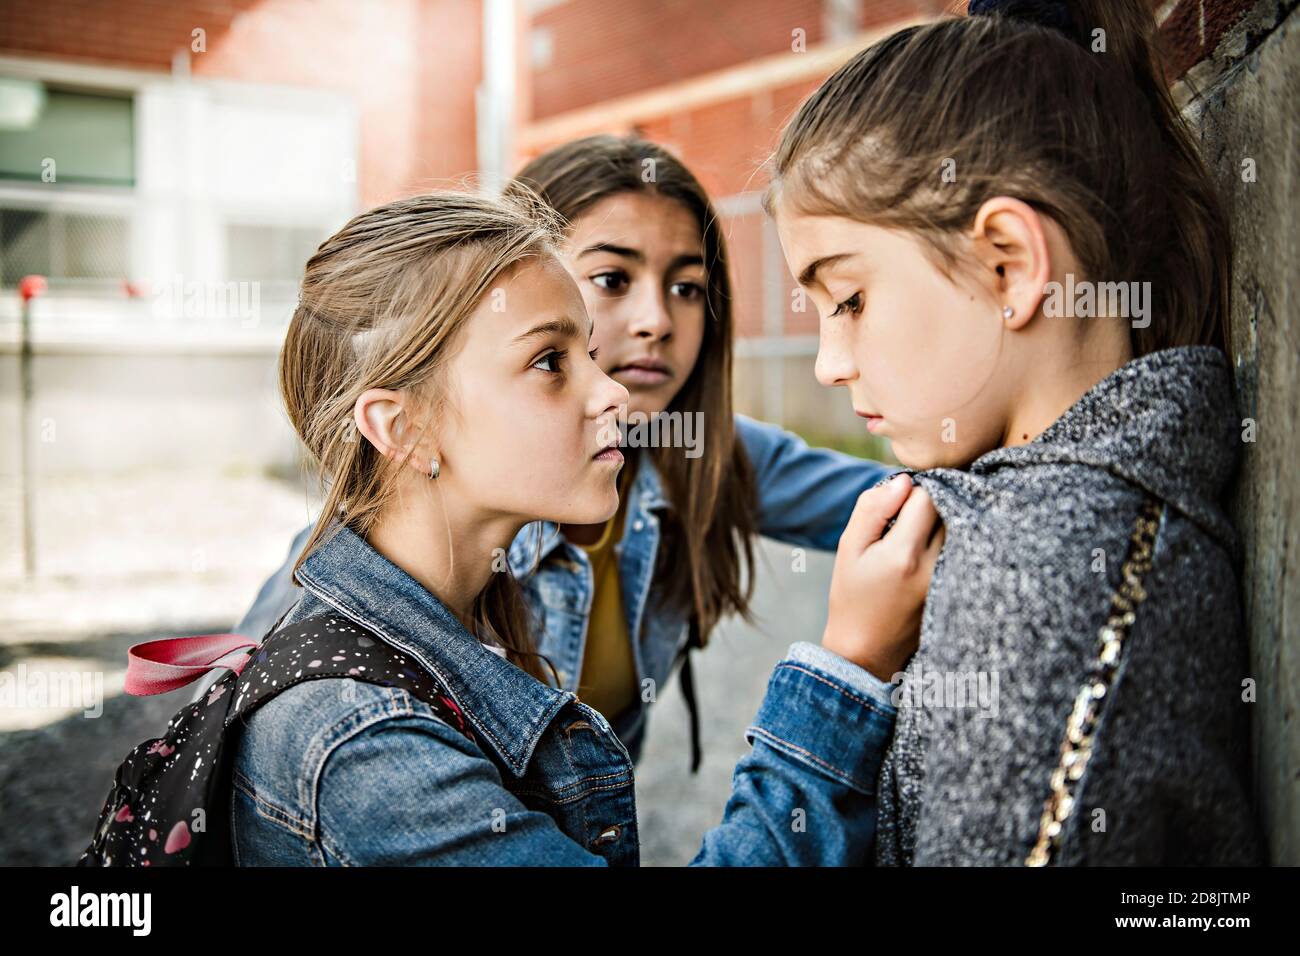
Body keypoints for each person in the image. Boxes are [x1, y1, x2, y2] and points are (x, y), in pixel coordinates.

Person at [230, 187, 942, 865]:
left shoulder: (460, 588)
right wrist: (849, 670)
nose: (613, 392)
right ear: (405, 429)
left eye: (591, 357)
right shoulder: (362, 744)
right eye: (549, 362)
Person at [767, 0, 1261, 864]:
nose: (828, 364)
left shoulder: (1046, 592)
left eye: (847, 300)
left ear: (1011, 264)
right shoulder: (1029, 516)